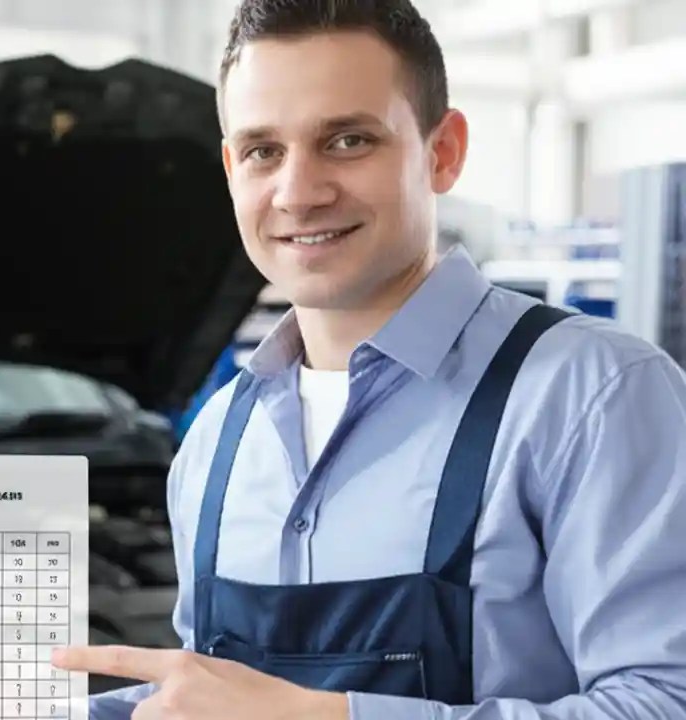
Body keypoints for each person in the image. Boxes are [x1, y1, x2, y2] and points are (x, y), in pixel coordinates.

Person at [50, 0, 686, 718]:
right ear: (231, 170)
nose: (299, 193)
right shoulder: (215, 445)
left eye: (348, 140)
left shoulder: (593, 396)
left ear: (442, 152)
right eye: (263, 151)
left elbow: (666, 702)